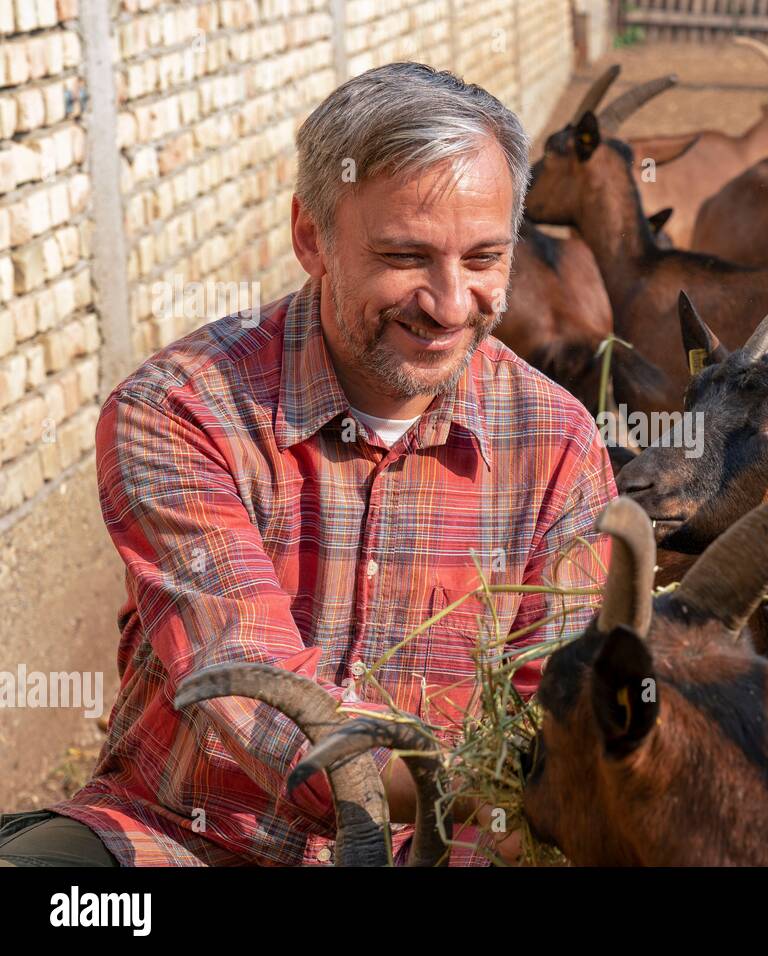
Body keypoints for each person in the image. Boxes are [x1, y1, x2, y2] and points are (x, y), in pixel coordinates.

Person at [0, 63, 614, 866]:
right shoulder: (182, 409)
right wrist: (484, 776)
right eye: (405, 255)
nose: (451, 303)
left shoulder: (559, 444)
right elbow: (251, 692)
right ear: (311, 238)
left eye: (483, 259)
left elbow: (553, 716)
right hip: (183, 838)